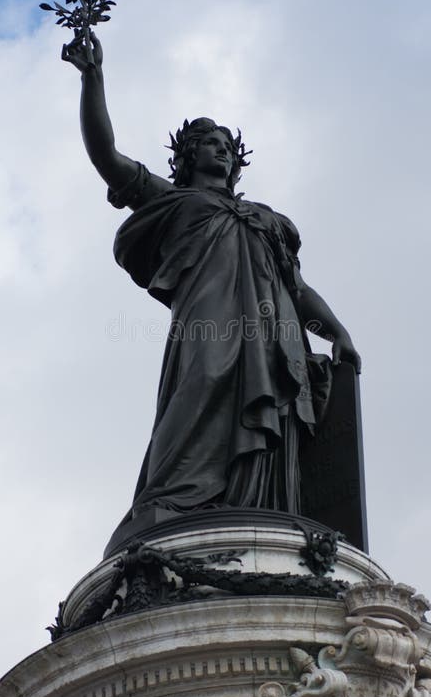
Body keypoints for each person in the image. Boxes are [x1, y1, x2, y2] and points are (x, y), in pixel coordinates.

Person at [63, 31, 361, 521]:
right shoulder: (173, 200)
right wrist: (92, 78)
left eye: (226, 145)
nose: (220, 151)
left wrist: (337, 332)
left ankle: (255, 509)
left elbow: (298, 289)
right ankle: (172, 503)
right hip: (211, 319)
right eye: (208, 144)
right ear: (186, 156)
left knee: (276, 409)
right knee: (202, 384)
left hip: (275, 330)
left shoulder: (268, 219)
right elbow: (107, 158)